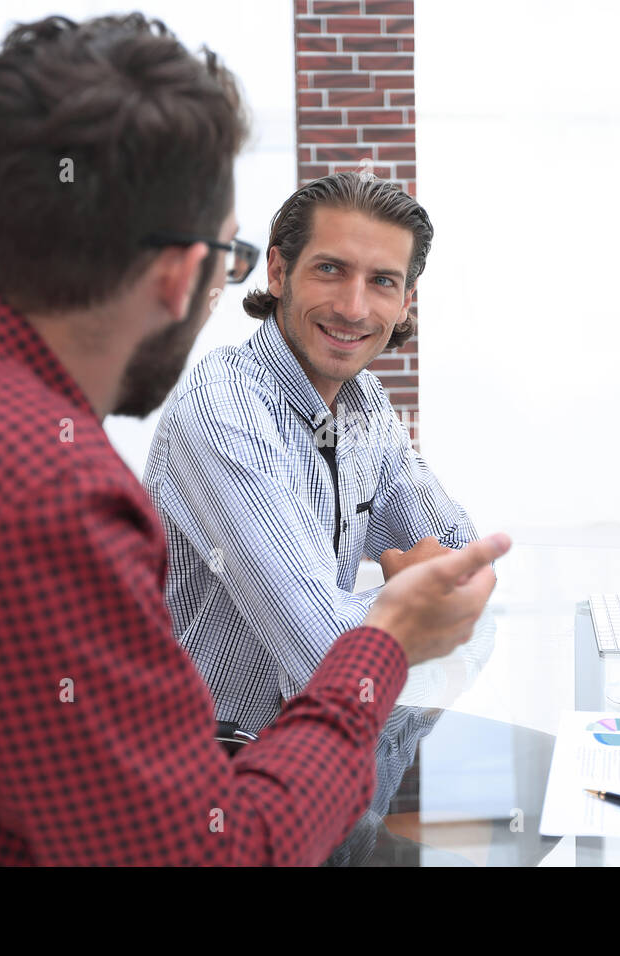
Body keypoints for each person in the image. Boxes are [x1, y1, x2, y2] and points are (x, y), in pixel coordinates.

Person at [0, 13, 508, 866]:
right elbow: (213, 858)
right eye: (233, 256)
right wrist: (385, 639)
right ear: (183, 274)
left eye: (383, 284)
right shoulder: (49, 497)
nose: (355, 307)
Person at [144, 172, 477, 734]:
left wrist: (425, 590)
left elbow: (464, 558)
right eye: (331, 269)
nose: (353, 308)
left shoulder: (365, 403)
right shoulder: (222, 409)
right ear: (278, 272)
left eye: (382, 282)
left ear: (404, 303)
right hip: (201, 773)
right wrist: (407, 597)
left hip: (315, 759)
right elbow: (325, 648)